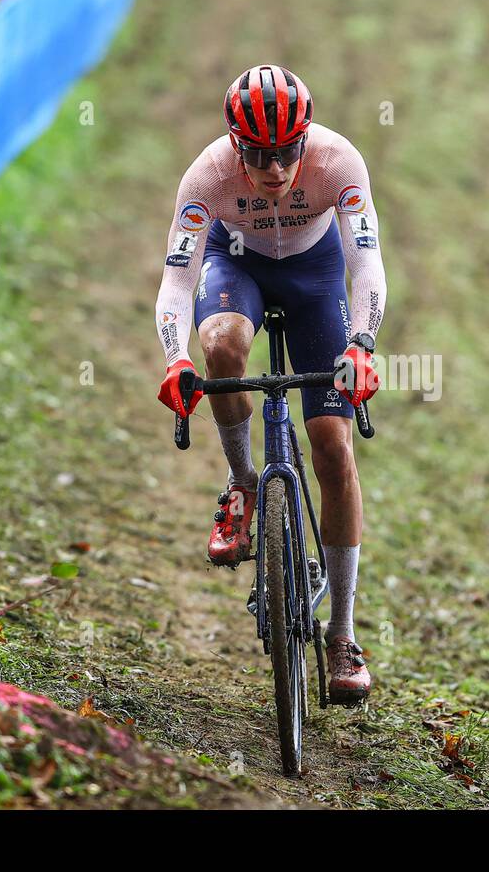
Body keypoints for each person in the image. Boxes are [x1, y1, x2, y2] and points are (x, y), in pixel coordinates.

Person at [154, 64, 386, 705]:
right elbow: (177, 282)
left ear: (305, 139)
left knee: (332, 447)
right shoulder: (207, 176)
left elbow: (366, 261)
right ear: (234, 144)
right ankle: (242, 483)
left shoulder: (339, 163)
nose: (276, 169)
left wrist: (362, 346)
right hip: (239, 266)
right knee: (221, 344)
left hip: (316, 277)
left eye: (287, 152)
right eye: (258, 154)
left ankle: (341, 635)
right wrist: (176, 360)